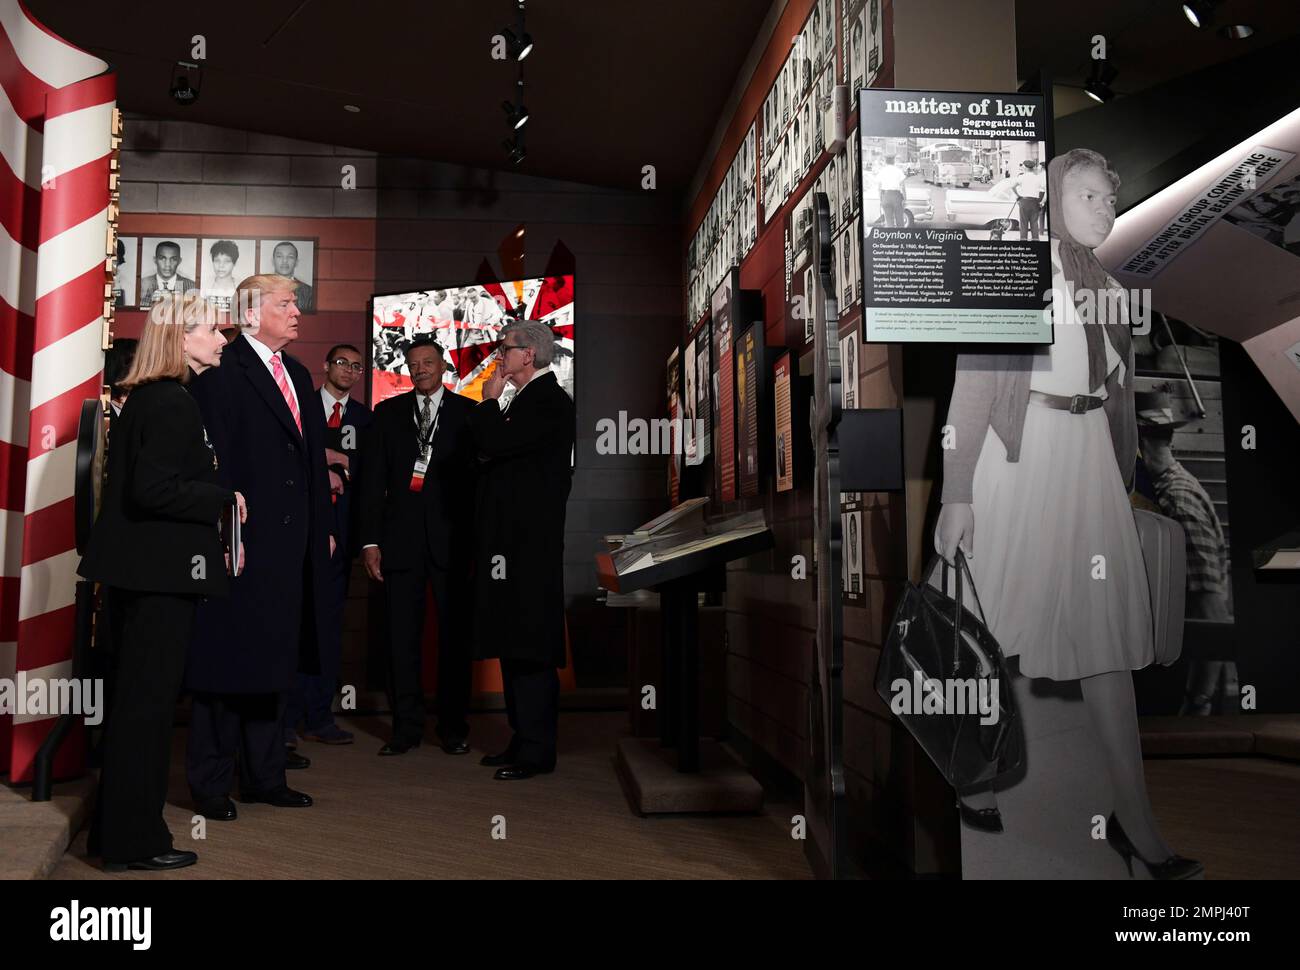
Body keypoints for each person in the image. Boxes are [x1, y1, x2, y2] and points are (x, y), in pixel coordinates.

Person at [934, 148, 1202, 880]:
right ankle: (971, 778)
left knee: (1107, 642)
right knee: (981, 631)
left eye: (1109, 199)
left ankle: (1138, 824)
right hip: (1017, 467)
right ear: (1054, 199)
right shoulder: (1010, 276)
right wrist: (957, 492)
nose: (1104, 210)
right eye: (1088, 196)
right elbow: (971, 394)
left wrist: (1123, 484)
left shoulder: (1111, 293)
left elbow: (1117, 404)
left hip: (1086, 471)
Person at [79, 292, 243, 871]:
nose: (222, 340)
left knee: (135, 711)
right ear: (181, 338)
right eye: (212, 331)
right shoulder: (172, 402)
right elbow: (153, 491)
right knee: (143, 715)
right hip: (158, 580)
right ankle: (135, 843)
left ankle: (117, 837)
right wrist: (223, 497)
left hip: (146, 576)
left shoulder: (157, 398)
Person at [184, 274, 334, 820]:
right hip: (241, 546)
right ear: (251, 313)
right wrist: (224, 533)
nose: (297, 312)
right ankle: (211, 784)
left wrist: (323, 528)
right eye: (286, 304)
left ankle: (266, 777)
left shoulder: (296, 372)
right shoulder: (221, 374)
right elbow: (209, 463)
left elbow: (310, 462)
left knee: (276, 661)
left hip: (294, 546)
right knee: (226, 663)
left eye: (296, 303)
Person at [361, 337, 477, 755]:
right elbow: (372, 483)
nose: (421, 369)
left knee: (455, 638)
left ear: (443, 365)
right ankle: (405, 728)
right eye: (413, 364)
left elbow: (477, 486)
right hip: (400, 544)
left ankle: (452, 727)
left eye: (428, 362)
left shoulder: (469, 413)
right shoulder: (387, 414)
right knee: (401, 639)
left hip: (454, 544)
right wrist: (370, 541)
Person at [471, 321, 575, 780]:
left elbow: (492, 443)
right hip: (510, 546)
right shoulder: (528, 400)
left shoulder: (549, 400)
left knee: (529, 646)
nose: (498, 356)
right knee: (514, 644)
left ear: (528, 354)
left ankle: (537, 748)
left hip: (529, 548)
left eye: (504, 349)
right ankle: (522, 738)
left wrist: (490, 400)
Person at [283, 344, 373, 746]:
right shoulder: (299, 405)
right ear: (326, 366)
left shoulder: (366, 419)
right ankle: (283, 721)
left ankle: (319, 716)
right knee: (290, 626)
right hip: (300, 534)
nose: (349, 371)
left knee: (328, 628)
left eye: (357, 367)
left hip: (342, 537)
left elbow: (372, 477)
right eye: (341, 363)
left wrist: (348, 465)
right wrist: (325, 458)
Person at [1135, 390, 1237, 715]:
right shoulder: (1162, 490)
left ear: (1137, 443)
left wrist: (1198, 701)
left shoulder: (1178, 502)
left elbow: (1209, 612)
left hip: (1180, 691)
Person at [139, 241, 196, 307]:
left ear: (179, 261)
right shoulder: (142, 284)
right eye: (162, 258)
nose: (167, 264)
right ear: (155, 260)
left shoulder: (191, 286)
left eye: (173, 259)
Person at [270, 241, 315, 312]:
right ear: (273, 260)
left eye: (290, 257)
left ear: (296, 262)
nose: (284, 261)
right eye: (279, 256)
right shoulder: (258, 288)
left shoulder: (309, 292)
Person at [203, 240, 242, 316]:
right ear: (212, 261)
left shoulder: (241, 286)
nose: (221, 265)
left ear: (234, 263)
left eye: (227, 261)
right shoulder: (205, 286)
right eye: (217, 261)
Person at [1013, 159, 1046, 241]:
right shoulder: (1038, 178)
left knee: (1023, 223)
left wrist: (1018, 196)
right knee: (1034, 223)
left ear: (1025, 167)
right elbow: (1046, 190)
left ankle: (1023, 240)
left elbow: (1012, 186)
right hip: (1035, 202)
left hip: (1024, 201)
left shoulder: (1021, 177)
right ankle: (1035, 240)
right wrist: (1043, 201)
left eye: (1022, 166)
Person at [876, 155, 907, 228]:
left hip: (886, 196)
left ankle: (891, 238)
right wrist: (905, 199)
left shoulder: (882, 171)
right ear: (894, 161)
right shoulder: (898, 171)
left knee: (889, 222)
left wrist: (880, 199)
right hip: (896, 196)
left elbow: (879, 188)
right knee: (900, 221)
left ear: (886, 162)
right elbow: (903, 187)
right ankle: (900, 238)